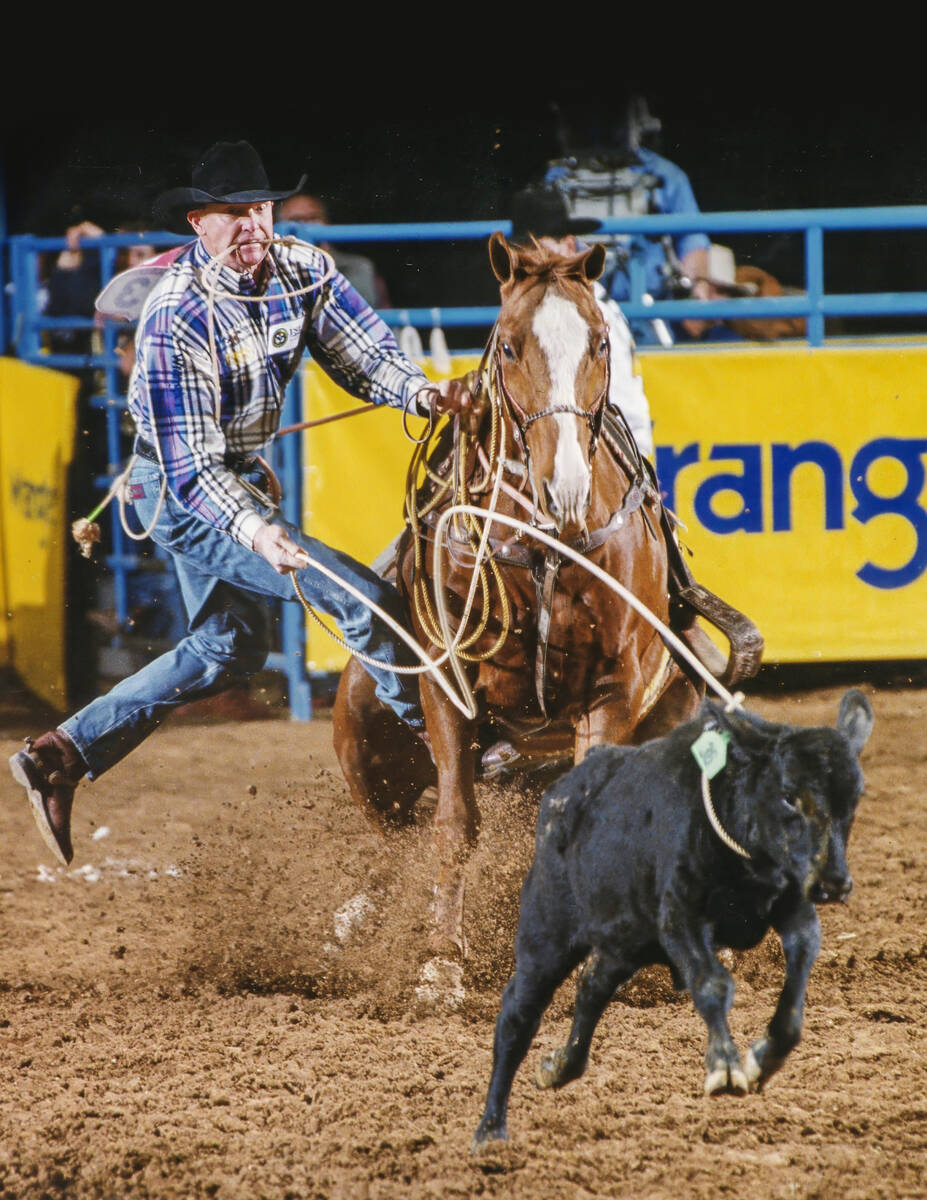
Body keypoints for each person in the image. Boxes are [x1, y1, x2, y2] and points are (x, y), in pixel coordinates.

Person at [9, 140, 471, 868]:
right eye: (232, 213)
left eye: (259, 208)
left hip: (231, 475)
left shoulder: (302, 269)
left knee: (229, 647)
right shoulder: (175, 315)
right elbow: (191, 469)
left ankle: (59, 755)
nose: (252, 224)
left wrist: (420, 392)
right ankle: (447, 757)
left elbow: (362, 353)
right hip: (181, 490)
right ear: (199, 223)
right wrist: (259, 530)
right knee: (361, 596)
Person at [544, 94, 710, 346]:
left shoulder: (665, 177)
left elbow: (693, 244)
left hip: (649, 316)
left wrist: (697, 293)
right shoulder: (554, 181)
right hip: (578, 317)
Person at [509, 185, 654, 458]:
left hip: (602, 460)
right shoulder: (539, 308)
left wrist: (634, 472)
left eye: (541, 249)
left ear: (568, 245)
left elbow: (623, 409)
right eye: (525, 252)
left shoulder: (594, 312)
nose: (534, 262)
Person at [275, 192, 391, 309]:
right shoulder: (271, 271)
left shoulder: (359, 267)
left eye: (312, 218)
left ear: (326, 221)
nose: (306, 226)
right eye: (296, 220)